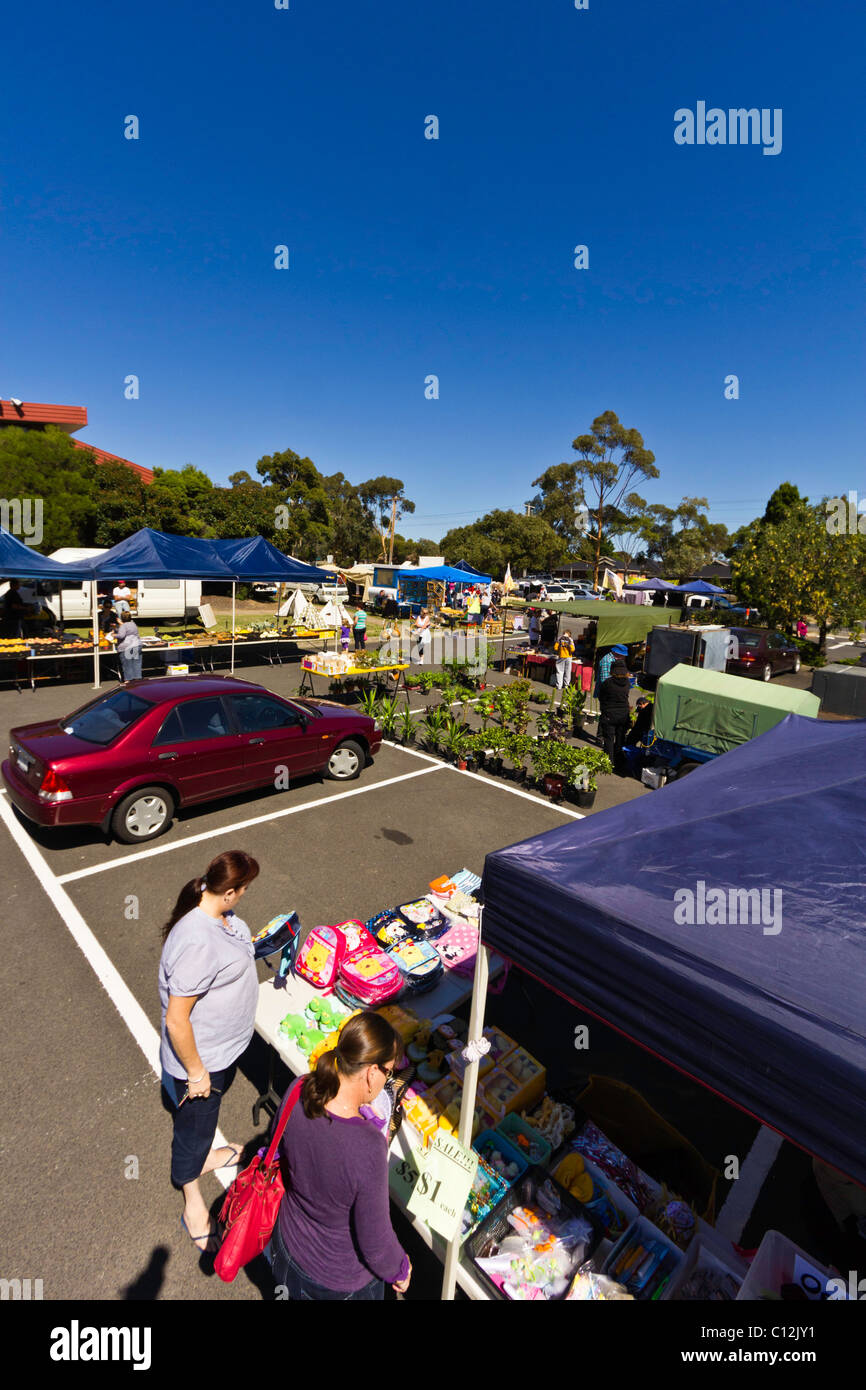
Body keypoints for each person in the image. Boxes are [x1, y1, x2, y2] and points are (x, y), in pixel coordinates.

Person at [266, 1011, 411, 1300]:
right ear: (372, 1073)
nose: (387, 1080)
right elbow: (375, 1242)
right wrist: (401, 1268)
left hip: (285, 1246)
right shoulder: (368, 1146)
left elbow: (276, 1143)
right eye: (389, 1072)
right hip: (336, 1278)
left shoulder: (299, 1088)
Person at [159, 850, 261, 1252]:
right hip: (202, 1064)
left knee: (202, 1123)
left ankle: (205, 1156)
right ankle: (192, 1198)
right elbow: (176, 1020)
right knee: (193, 1129)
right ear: (230, 892)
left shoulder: (222, 917)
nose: (246, 896)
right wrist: (197, 1073)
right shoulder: (196, 942)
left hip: (222, 1050)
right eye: (245, 890)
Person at [598, 660, 632, 771]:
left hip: (610, 714)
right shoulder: (627, 682)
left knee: (609, 739)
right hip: (624, 714)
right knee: (620, 739)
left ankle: (609, 763)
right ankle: (619, 763)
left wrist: (604, 707)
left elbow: (601, 696)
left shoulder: (608, 683)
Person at [115, 616, 143, 682]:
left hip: (127, 646)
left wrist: (113, 635)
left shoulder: (123, 626)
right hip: (136, 644)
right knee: (136, 663)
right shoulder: (133, 624)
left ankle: (128, 681)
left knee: (127, 665)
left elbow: (121, 635)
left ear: (121, 618)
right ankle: (137, 680)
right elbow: (128, 630)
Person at [553, 628, 575, 705]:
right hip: (568, 657)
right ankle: (566, 685)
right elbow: (573, 649)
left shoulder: (559, 638)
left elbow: (555, 648)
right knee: (567, 671)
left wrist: (560, 648)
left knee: (560, 671)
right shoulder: (570, 640)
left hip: (561, 656)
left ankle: (559, 685)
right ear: (569, 634)